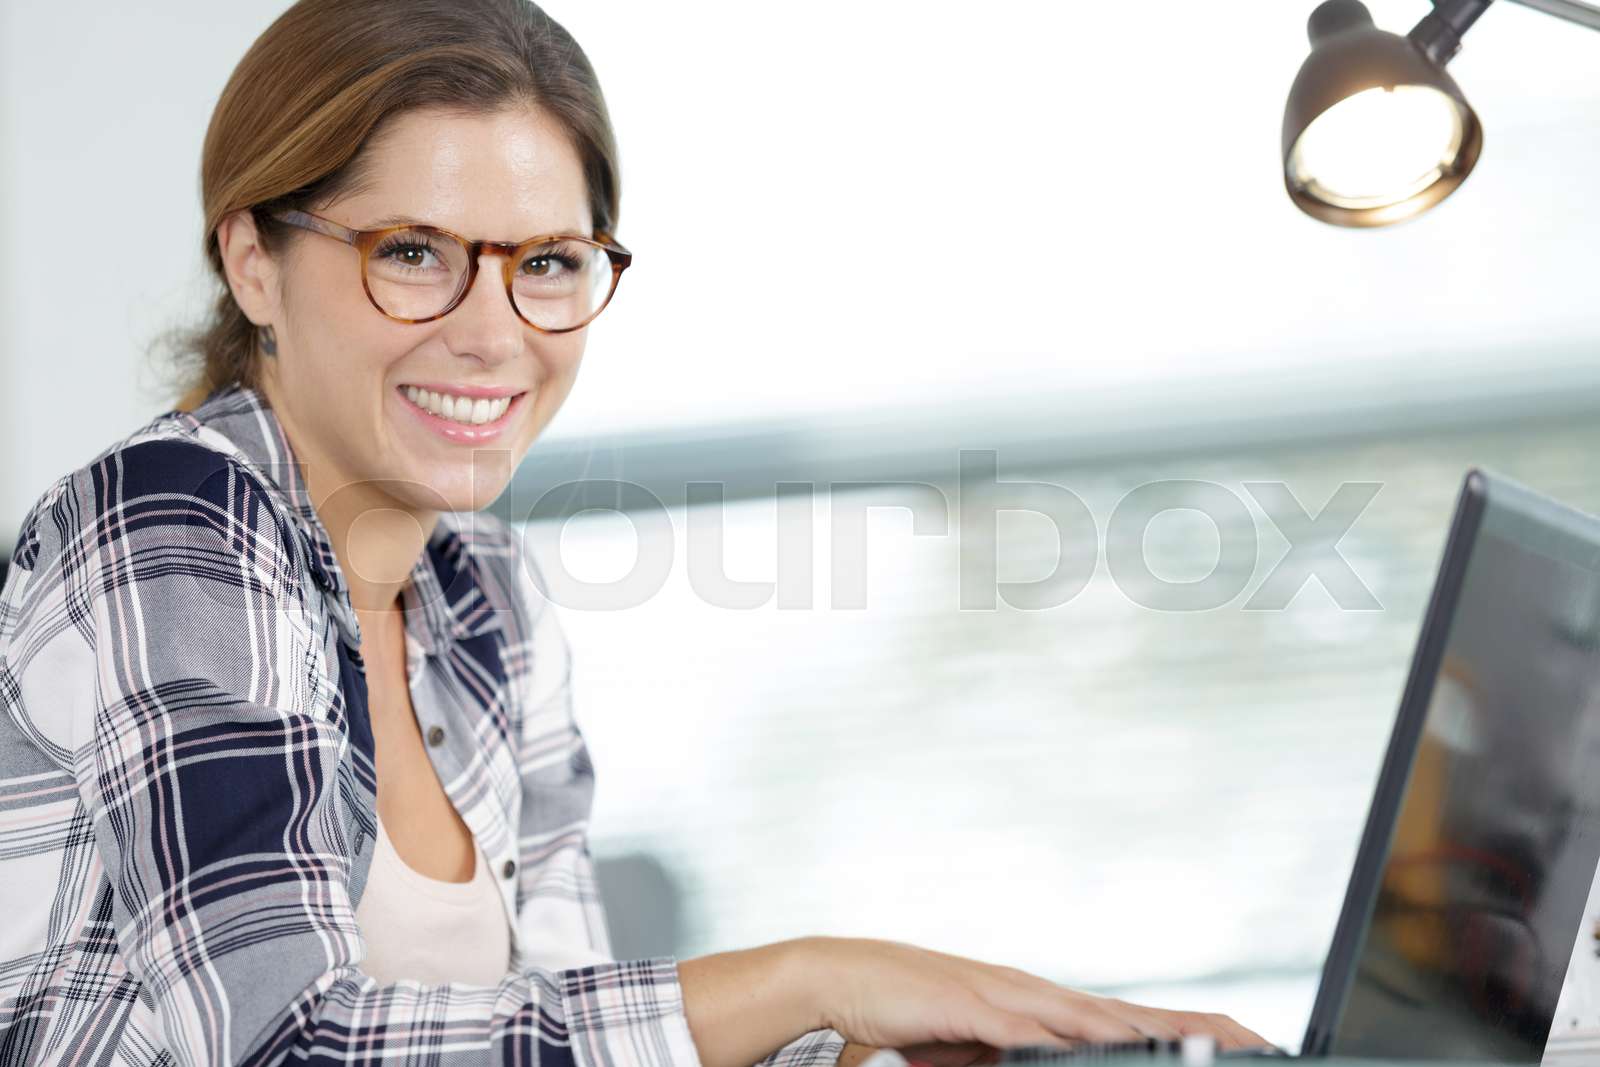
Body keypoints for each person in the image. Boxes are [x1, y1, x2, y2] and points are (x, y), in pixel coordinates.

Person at [0, 1, 1270, 1064]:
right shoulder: (170, 518)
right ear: (256, 264)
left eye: (548, 262)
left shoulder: (484, 593)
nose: (494, 332)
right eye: (413, 251)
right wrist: (812, 978)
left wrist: (861, 1047)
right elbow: (288, 1045)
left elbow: (543, 1032)